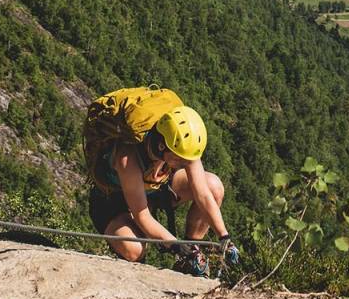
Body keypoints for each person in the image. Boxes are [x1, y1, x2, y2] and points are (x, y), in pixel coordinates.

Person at [84, 87, 240, 275]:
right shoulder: (127, 159)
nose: (185, 163)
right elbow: (143, 217)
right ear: (161, 145)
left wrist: (225, 237)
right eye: (180, 159)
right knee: (134, 250)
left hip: (155, 188)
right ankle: (144, 266)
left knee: (214, 186)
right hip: (114, 201)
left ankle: (193, 249)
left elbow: (204, 195)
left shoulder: (181, 147)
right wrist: (176, 247)